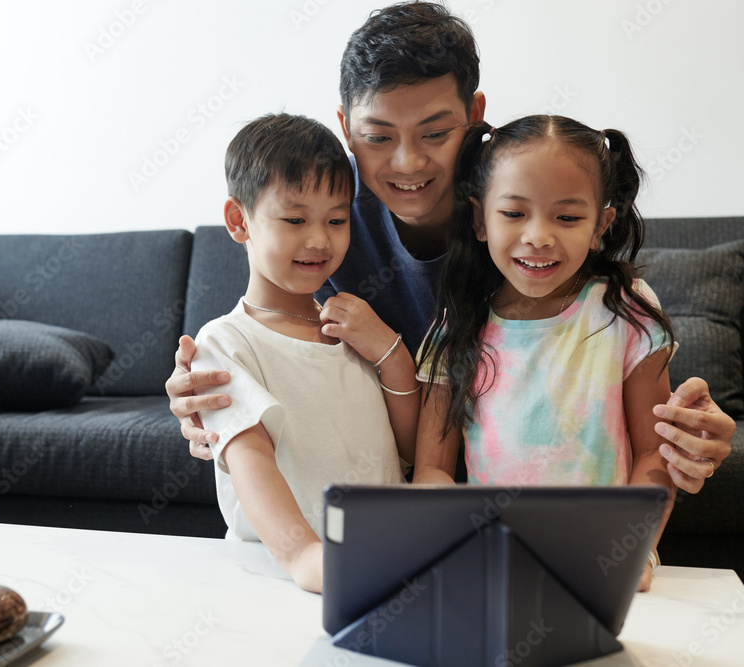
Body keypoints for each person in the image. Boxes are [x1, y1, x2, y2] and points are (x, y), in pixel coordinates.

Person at [166, 2, 733, 494]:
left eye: (435, 133)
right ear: (345, 126)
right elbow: (265, 335)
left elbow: (611, 367)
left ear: (475, 115)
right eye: (377, 136)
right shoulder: (326, 220)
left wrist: (687, 429)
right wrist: (213, 393)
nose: (408, 163)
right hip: (418, 488)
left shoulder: (528, 201)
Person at [413, 115, 676, 592]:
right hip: (492, 558)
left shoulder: (626, 310)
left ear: (601, 226)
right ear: (479, 219)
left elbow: (655, 452)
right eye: (514, 213)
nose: (538, 235)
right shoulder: (456, 327)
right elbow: (432, 466)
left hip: (608, 554)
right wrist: (447, 540)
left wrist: (632, 547)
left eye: (568, 217)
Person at [191, 113, 419, 593]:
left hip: (381, 562)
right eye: (295, 219)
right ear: (239, 220)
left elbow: (407, 450)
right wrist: (303, 556)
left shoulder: (352, 326)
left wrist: (392, 355)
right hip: (282, 573)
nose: (319, 239)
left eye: (337, 220)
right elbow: (250, 459)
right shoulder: (224, 343)